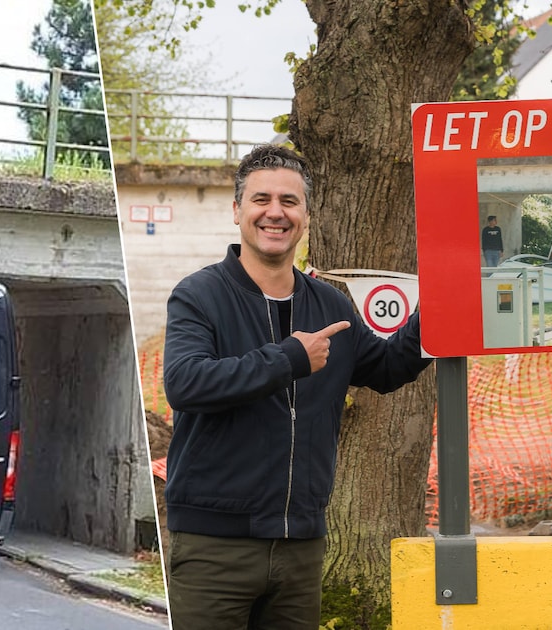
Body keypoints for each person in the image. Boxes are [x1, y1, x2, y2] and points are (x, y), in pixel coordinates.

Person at [162, 144, 433, 630]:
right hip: (214, 549)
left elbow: (388, 367)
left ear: (306, 215)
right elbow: (185, 383)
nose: (275, 212)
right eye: (261, 199)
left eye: (289, 201)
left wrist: (439, 303)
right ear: (237, 210)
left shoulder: (331, 305)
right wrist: (289, 359)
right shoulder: (199, 295)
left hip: (301, 548)